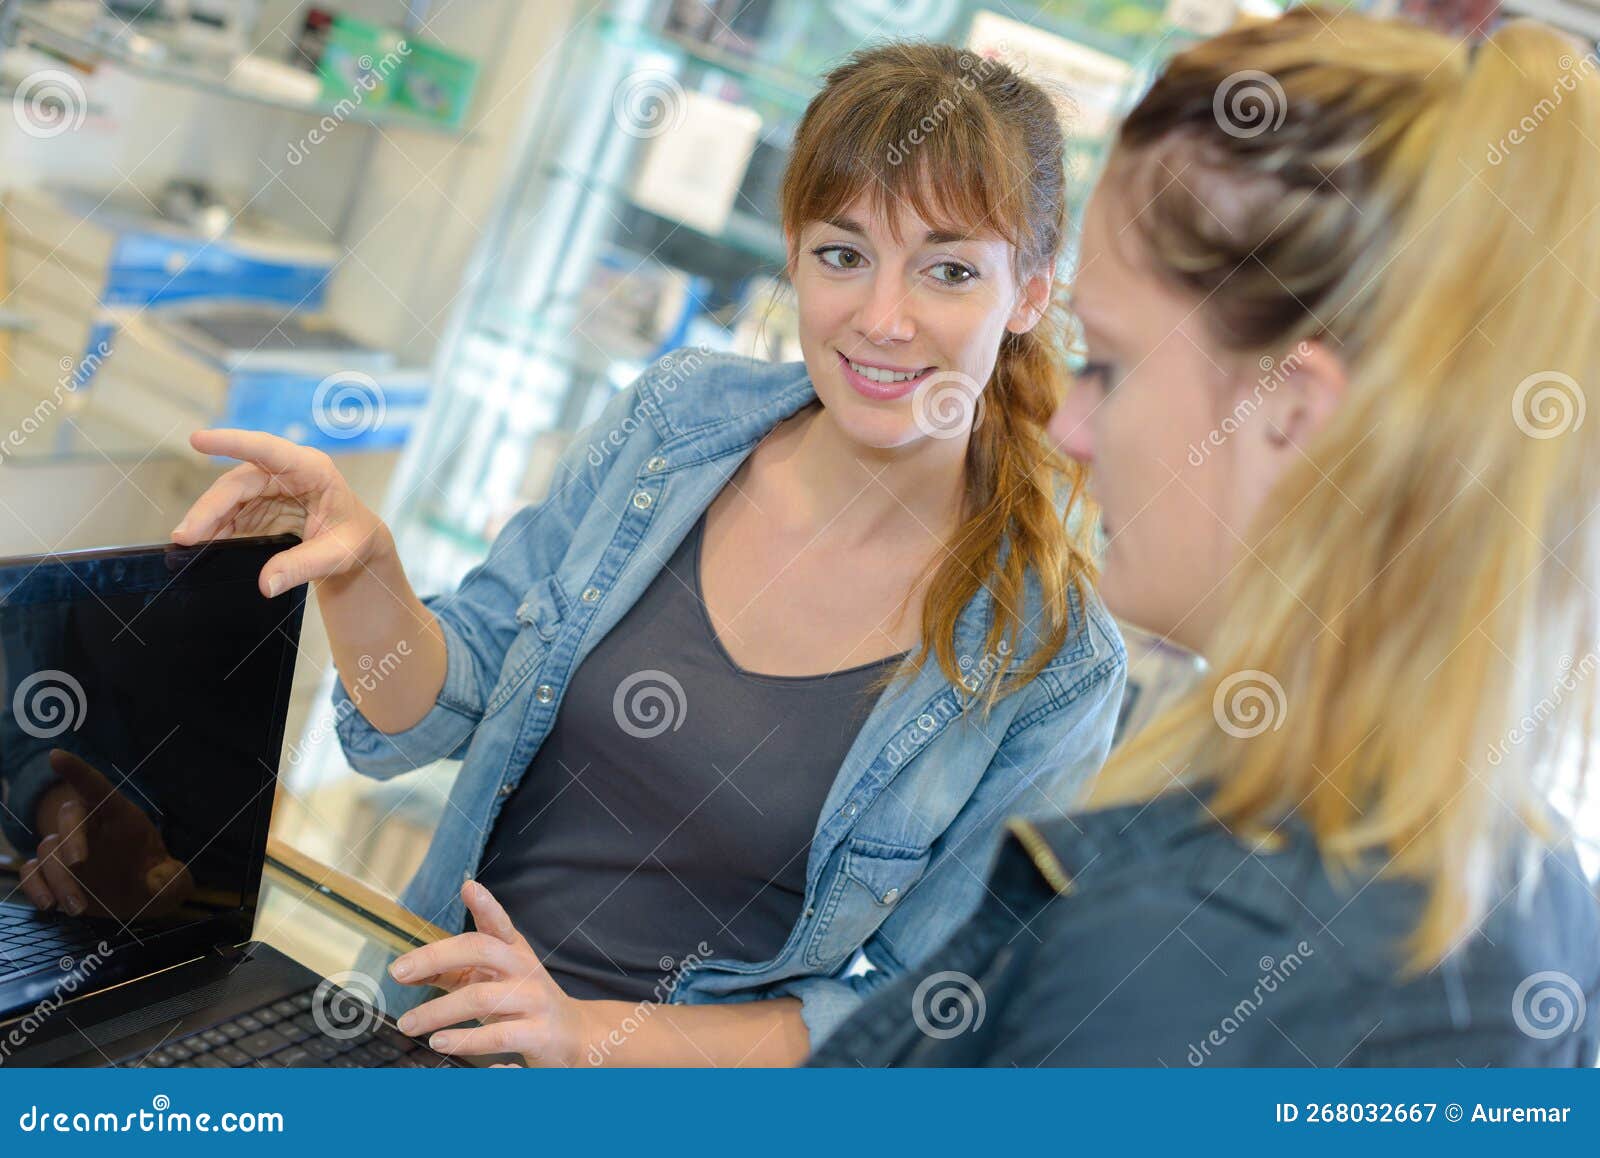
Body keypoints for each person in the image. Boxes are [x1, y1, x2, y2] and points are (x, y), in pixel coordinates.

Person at [166, 42, 1127, 1066]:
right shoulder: (675, 420)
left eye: (949, 271)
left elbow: (922, 1016)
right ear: (793, 254)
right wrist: (363, 571)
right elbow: (429, 715)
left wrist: (584, 1034)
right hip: (415, 1037)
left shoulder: (1053, 664)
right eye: (843, 255)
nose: (883, 320)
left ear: (1030, 292)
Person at [811, 8, 1600, 1067]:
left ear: (1289, 416)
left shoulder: (1190, 955)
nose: (1068, 426)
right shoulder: (1522, 892)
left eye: (1109, 365)